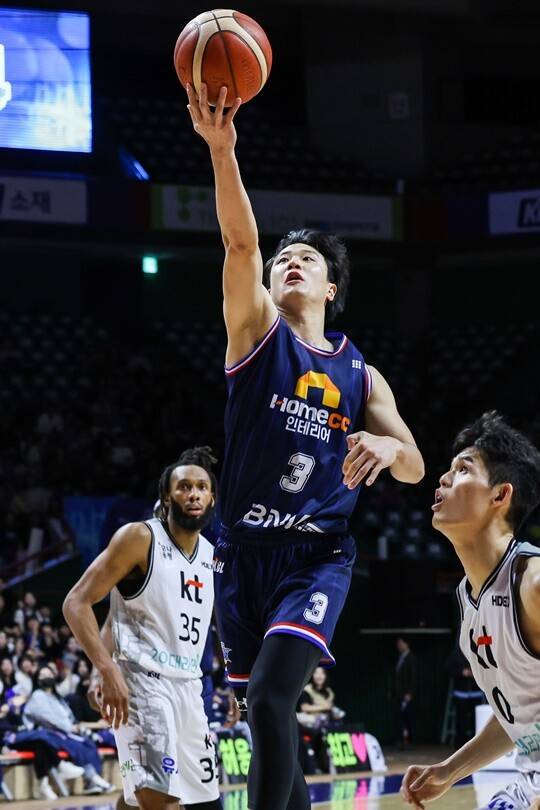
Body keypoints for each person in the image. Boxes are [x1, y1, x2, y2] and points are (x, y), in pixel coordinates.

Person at [186, 82, 425, 810]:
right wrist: (222, 151)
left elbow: (416, 466)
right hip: (243, 555)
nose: (290, 261)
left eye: (307, 260)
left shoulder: (361, 371)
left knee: (267, 703)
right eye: (282, 256)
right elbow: (239, 241)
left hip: (318, 554)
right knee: (269, 721)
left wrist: (387, 451)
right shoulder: (257, 334)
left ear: (330, 286)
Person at [63, 446, 223, 810]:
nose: (193, 494)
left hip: (189, 688)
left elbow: (120, 613)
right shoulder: (140, 538)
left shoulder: (212, 558)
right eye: (184, 487)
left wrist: (234, 687)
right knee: (163, 801)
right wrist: (104, 670)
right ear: (167, 495)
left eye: (201, 487)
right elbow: (76, 602)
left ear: (212, 497)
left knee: (196, 802)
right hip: (141, 685)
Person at [401, 412, 540, 809]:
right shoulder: (469, 599)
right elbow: (520, 716)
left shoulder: (532, 584)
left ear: (500, 496)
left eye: (462, 470)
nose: (443, 479)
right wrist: (450, 770)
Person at [394, 637, 416, 748]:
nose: (399, 646)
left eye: (400, 643)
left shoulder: (410, 658)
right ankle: (402, 741)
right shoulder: (400, 657)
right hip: (399, 694)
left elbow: (412, 677)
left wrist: (409, 693)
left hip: (407, 695)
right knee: (400, 718)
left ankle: (409, 742)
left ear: (406, 644)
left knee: (407, 719)